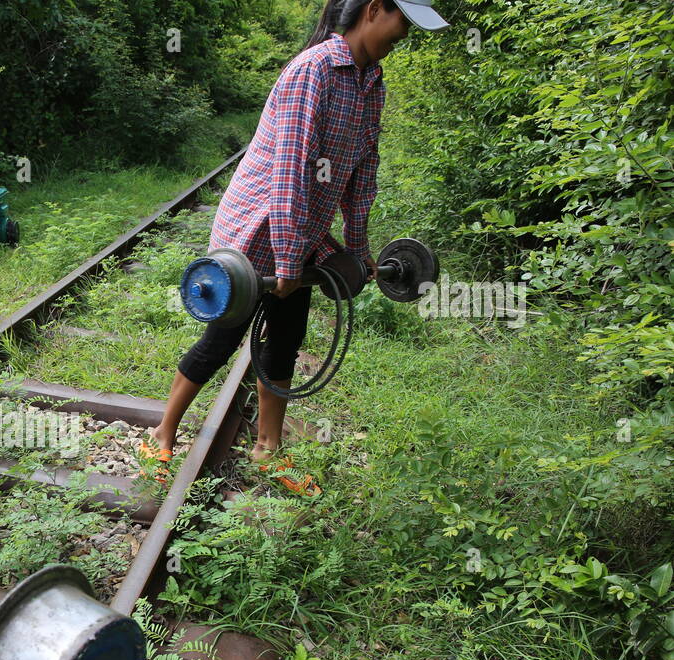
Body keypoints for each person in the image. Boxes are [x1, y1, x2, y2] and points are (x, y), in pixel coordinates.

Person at [145, 0, 449, 468]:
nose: (404, 34)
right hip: (258, 228)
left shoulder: (372, 81)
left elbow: (363, 170)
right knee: (223, 339)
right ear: (373, 9)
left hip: (303, 230)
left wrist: (357, 248)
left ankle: (269, 448)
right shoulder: (314, 70)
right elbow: (288, 173)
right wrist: (287, 264)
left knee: (286, 338)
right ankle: (163, 432)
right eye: (402, 20)